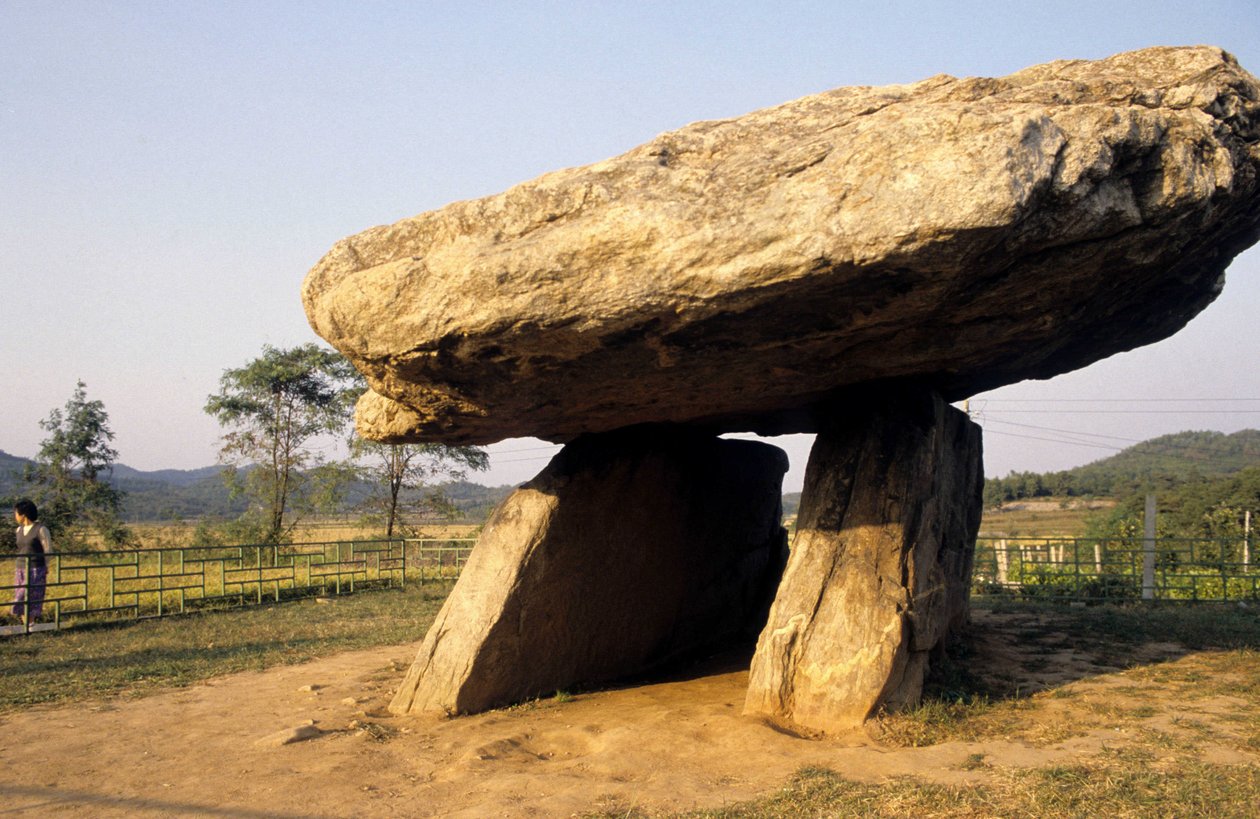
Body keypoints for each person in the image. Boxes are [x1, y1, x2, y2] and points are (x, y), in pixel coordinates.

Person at [12, 499, 52, 627]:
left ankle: (30, 624)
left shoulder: (41, 529)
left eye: (16, 513)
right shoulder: (19, 530)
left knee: (30, 597)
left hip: (36, 568)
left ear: (23, 514)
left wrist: (46, 565)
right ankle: (28, 626)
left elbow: (48, 549)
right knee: (20, 596)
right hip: (20, 568)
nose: (15, 516)